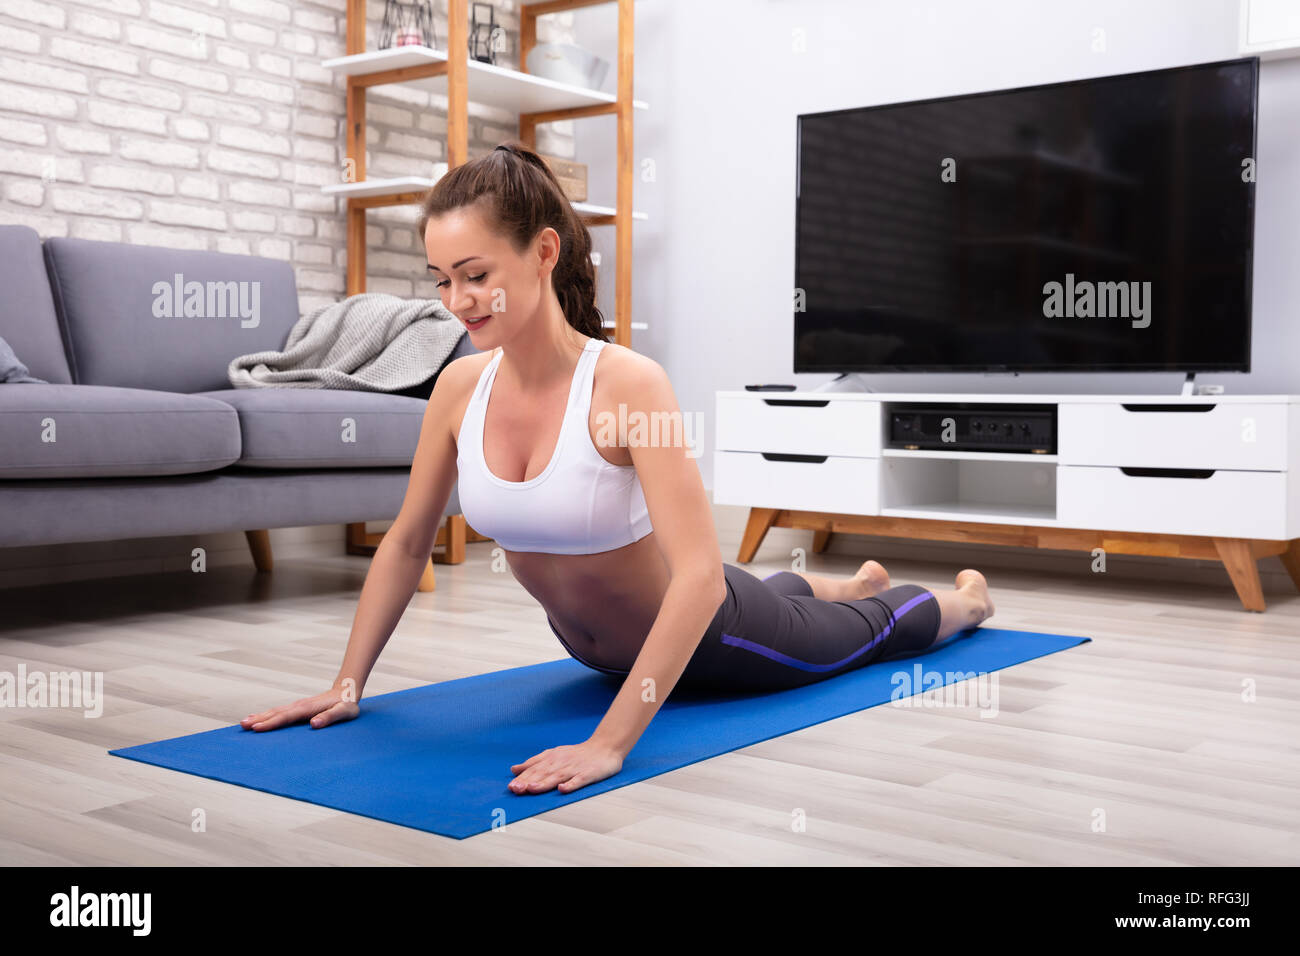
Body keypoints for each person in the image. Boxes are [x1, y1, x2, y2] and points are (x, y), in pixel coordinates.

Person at [241, 142, 995, 797]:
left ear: (543, 252)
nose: (457, 302)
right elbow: (406, 544)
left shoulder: (630, 384)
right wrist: (348, 685)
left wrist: (612, 742)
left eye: (474, 274)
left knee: (863, 635)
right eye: (441, 279)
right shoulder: (458, 389)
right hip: (603, 652)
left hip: (711, 637)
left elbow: (698, 578)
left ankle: (963, 604)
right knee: (778, 588)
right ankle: (843, 581)